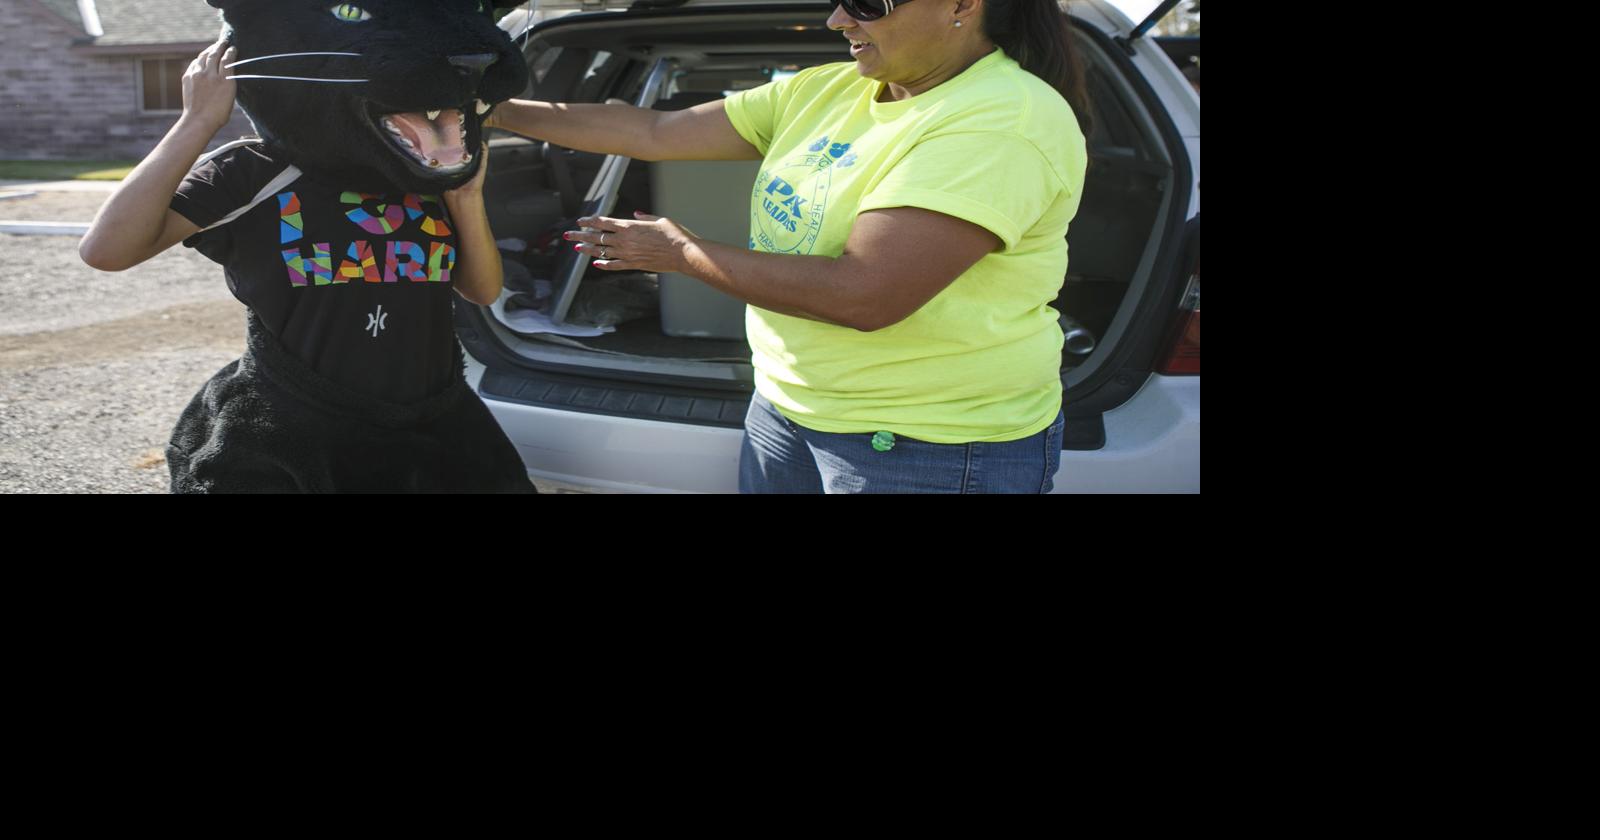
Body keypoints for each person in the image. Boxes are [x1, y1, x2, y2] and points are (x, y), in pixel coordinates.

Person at [488, 0, 1090, 493]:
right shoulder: (826, 91)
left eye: (866, 4)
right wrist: (491, 112)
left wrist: (681, 253)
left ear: (962, 5)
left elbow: (864, 296)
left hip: (926, 442)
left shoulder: (1001, 122)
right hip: (787, 406)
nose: (837, 20)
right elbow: (654, 132)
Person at [78, 35, 534, 493]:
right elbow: (106, 250)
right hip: (300, 422)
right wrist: (197, 120)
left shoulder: (421, 170)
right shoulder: (254, 169)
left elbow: (481, 290)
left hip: (430, 420)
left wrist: (465, 196)